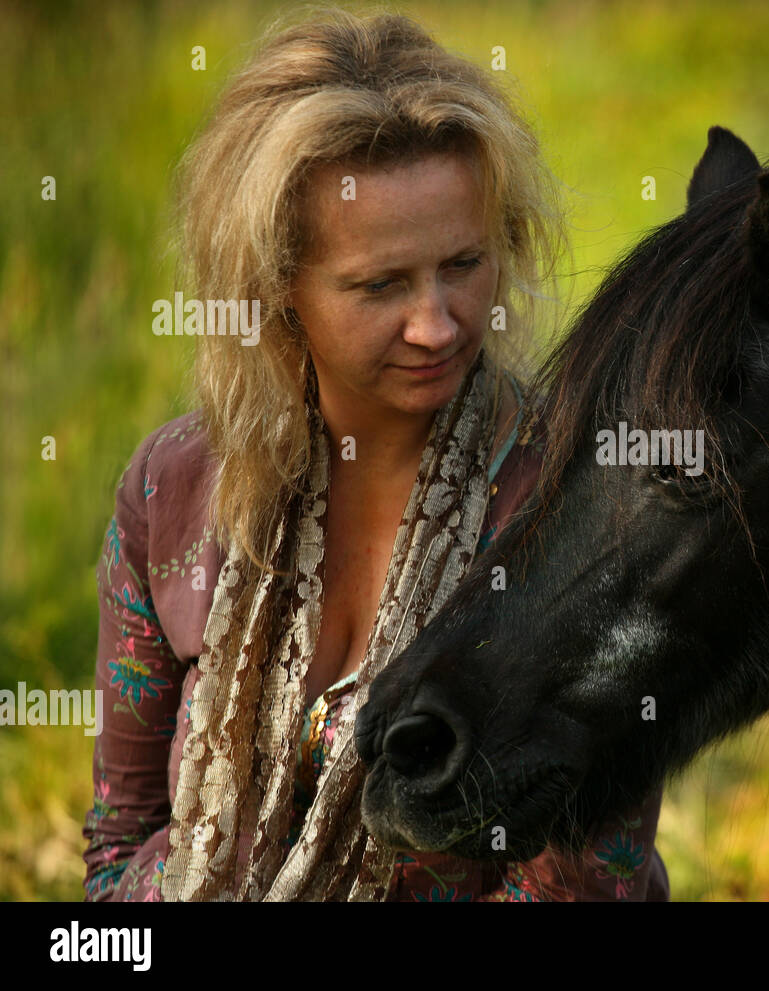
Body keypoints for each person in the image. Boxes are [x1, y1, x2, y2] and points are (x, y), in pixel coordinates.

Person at [82, 9, 669, 902]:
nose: (437, 324)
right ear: (276, 284)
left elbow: (586, 883)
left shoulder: (584, 502)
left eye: (464, 264)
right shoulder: (171, 488)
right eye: (380, 284)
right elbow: (118, 852)